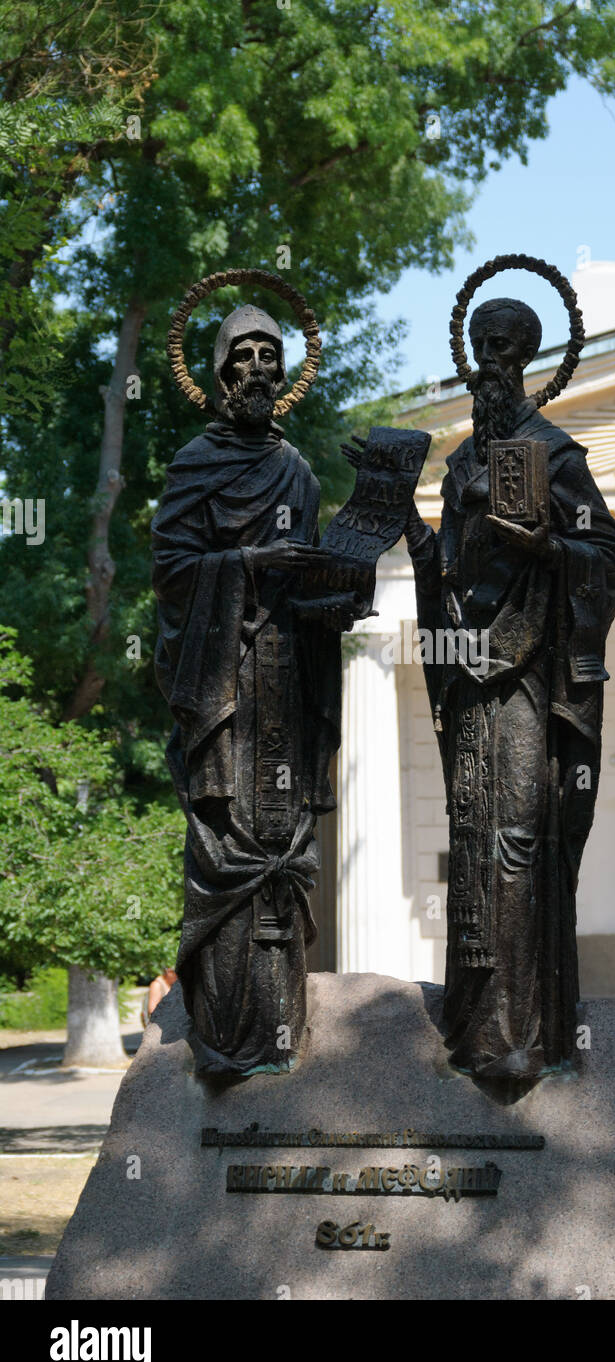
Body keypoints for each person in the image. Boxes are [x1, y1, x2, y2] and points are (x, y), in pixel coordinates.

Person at [405, 296, 615, 1082]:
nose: (490, 363)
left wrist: (549, 546)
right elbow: (449, 574)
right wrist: (403, 525)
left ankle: (524, 1030)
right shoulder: (465, 460)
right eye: (480, 347)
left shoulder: (555, 454)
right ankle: (473, 1029)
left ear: (529, 359)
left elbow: (607, 552)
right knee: (472, 837)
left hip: (529, 670)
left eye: (504, 348)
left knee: (520, 836)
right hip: (468, 670)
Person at [152, 304, 359, 1074]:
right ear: (218, 371)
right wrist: (245, 567)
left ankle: (281, 1030)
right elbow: (172, 572)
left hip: (289, 685)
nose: (259, 370)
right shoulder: (195, 463)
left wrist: (334, 598)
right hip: (226, 687)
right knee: (229, 839)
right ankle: (223, 1037)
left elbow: (304, 573)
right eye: (244, 356)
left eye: (272, 356)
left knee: (283, 842)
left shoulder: (298, 471)